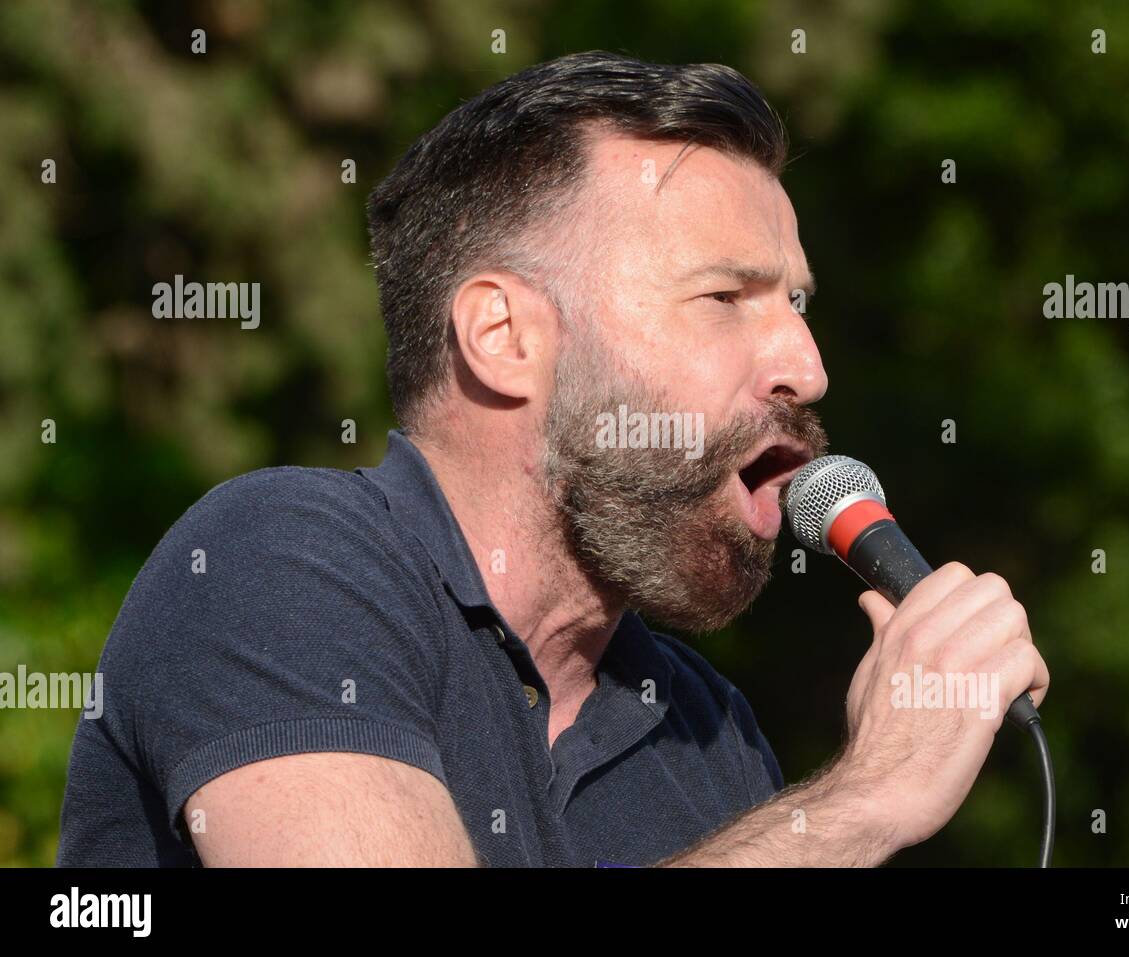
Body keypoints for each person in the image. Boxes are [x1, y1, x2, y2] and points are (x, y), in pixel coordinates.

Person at [57, 51, 1048, 867]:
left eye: (795, 304)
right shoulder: (274, 562)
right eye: (723, 299)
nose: (808, 366)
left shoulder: (708, 734)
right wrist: (862, 803)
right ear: (503, 334)